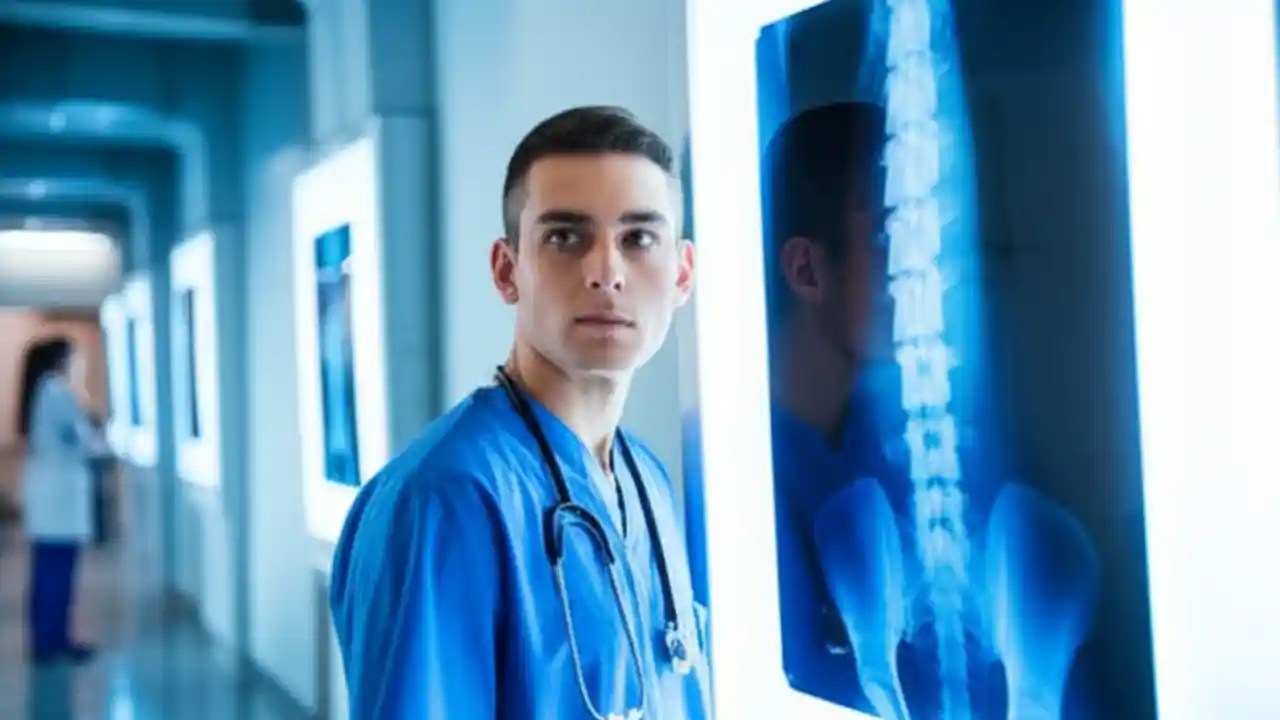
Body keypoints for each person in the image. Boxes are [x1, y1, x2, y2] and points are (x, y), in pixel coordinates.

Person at [330, 106, 711, 720]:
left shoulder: (647, 481)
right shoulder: (446, 498)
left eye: (639, 238)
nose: (606, 273)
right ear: (507, 272)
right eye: (566, 238)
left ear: (682, 274)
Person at [18, 337, 103, 664]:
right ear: (61, 360)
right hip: (58, 499)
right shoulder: (56, 393)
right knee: (57, 573)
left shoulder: (44, 392)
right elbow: (84, 440)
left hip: (51, 497)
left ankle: (50, 639)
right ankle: (51, 642)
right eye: (75, 357)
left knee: (49, 571)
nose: (80, 363)